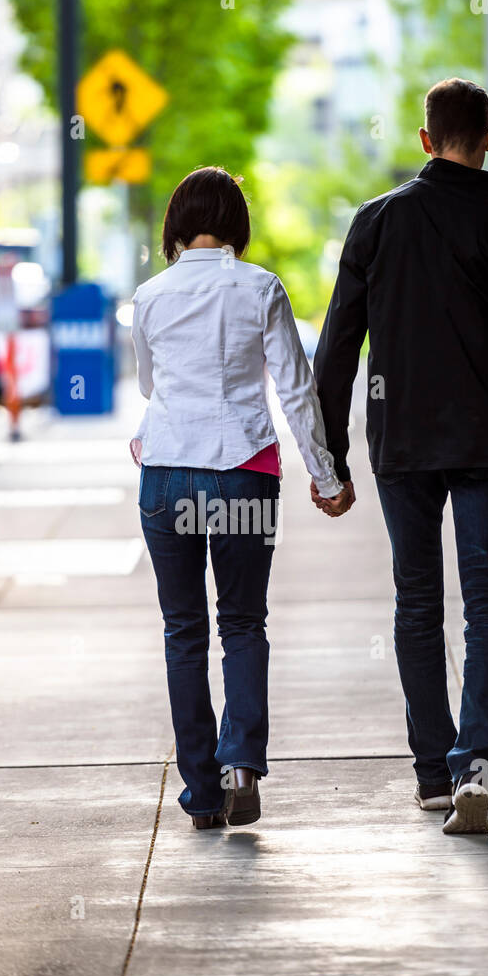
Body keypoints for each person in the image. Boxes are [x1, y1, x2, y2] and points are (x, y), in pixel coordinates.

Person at [313, 78, 488, 836]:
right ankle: (475, 764)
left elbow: (338, 348)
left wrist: (329, 458)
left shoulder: (376, 223)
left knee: (416, 601)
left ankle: (435, 773)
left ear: (426, 140)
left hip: (402, 439)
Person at [130, 166, 353, 831]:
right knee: (243, 622)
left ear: (175, 228)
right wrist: (328, 477)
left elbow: (148, 384)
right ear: (237, 227)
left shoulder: (149, 295)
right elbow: (294, 389)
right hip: (243, 470)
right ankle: (240, 769)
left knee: (182, 630)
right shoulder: (262, 288)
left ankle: (201, 795)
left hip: (168, 472)